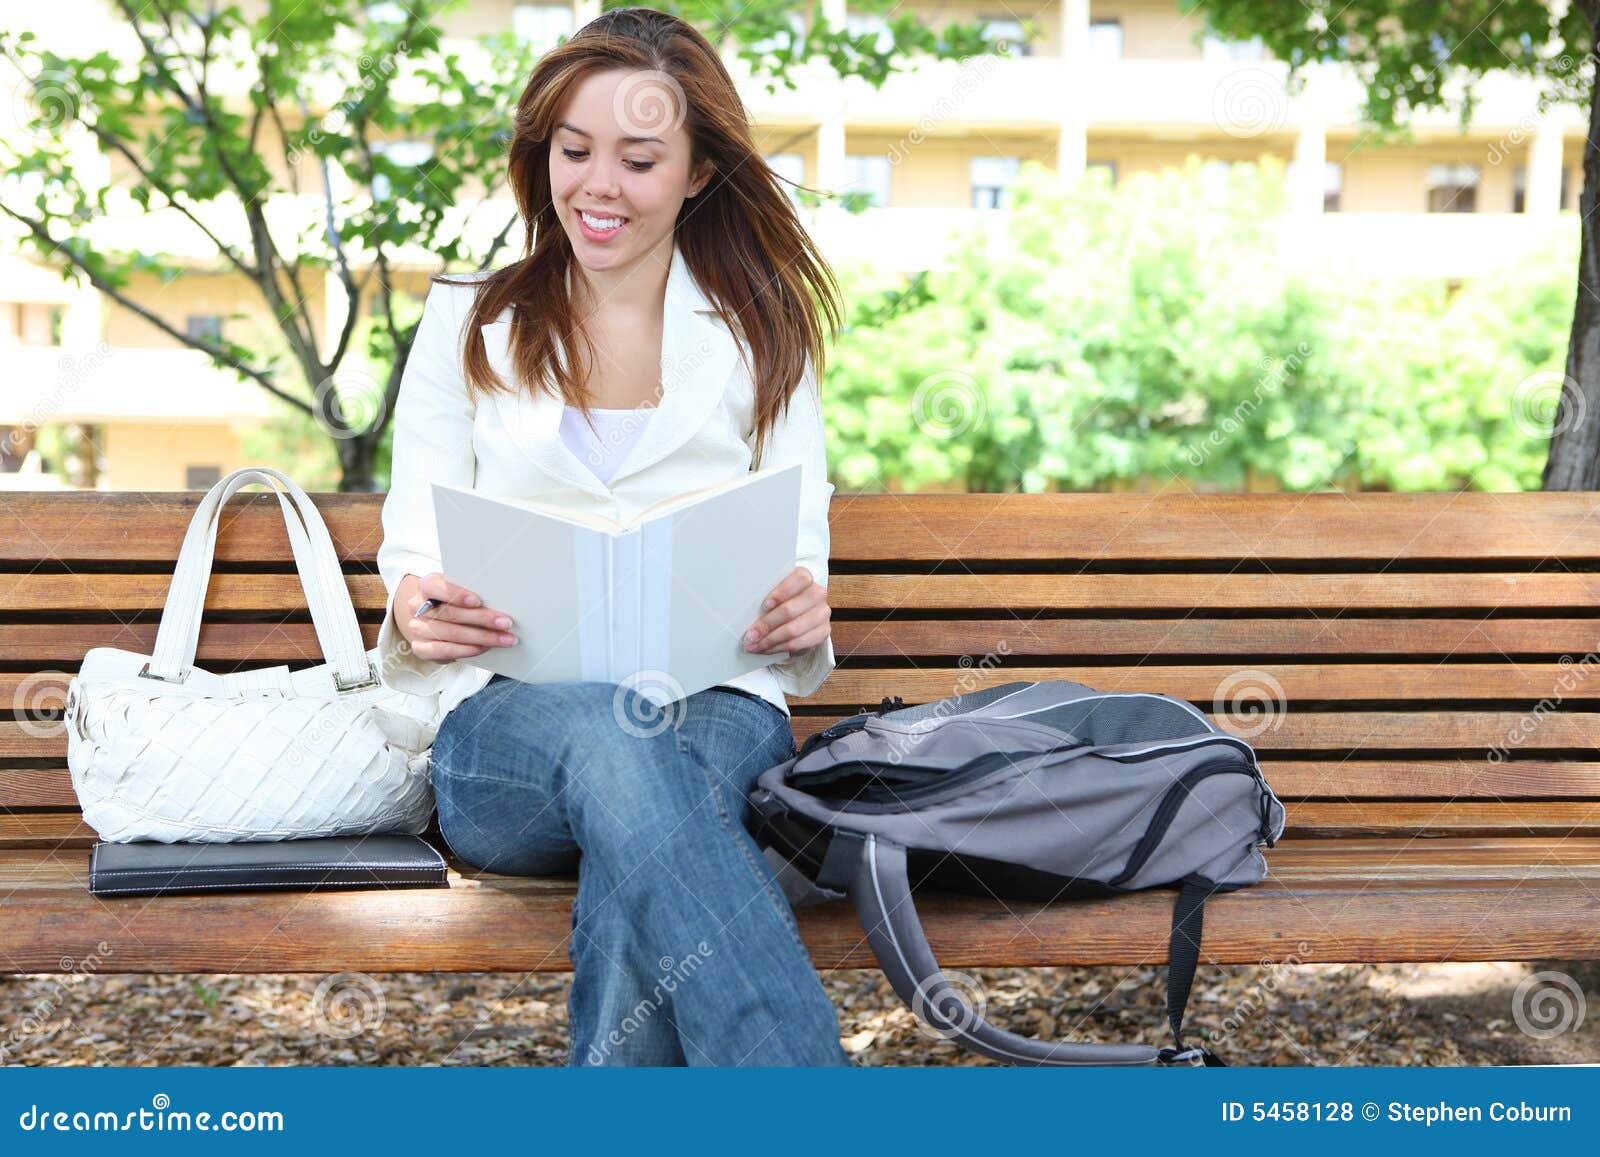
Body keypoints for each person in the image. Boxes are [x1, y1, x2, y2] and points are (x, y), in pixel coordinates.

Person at [373, 6, 851, 1066]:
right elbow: (412, 549)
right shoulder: (468, 322)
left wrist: (799, 612)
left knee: (646, 842)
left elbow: (797, 555)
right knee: (625, 743)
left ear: (695, 173)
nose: (598, 186)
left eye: (638, 159)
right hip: (510, 736)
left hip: (718, 711)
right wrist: (419, 607)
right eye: (573, 151)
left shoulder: (760, 331)